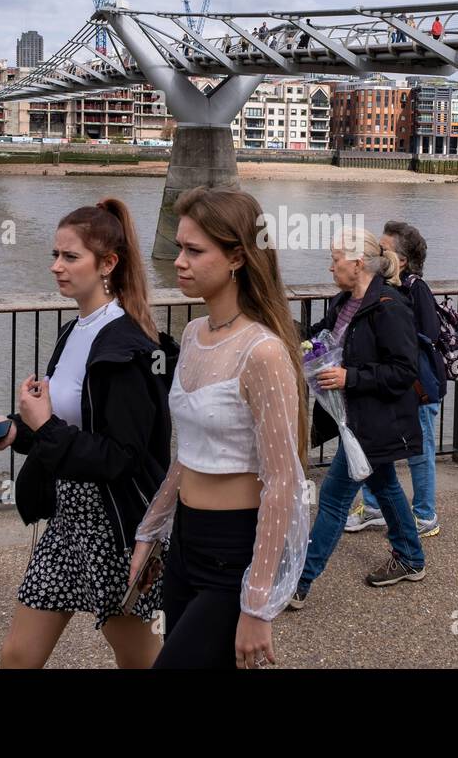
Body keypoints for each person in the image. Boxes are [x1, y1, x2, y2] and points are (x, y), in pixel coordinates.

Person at [0, 200, 172, 669]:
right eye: (54, 255)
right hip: (67, 517)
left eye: (70, 257)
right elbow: (69, 429)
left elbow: (121, 456)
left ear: (108, 264)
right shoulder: (73, 331)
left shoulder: (128, 348)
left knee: (139, 660)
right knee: (18, 657)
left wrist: (43, 425)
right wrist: (12, 432)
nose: (56, 267)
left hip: (113, 526)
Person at [130, 186, 309, 669]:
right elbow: (187, 453)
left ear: (237, 257)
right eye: (179, 248)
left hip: (233, 551)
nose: (178, 261)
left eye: (194, 250)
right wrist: (151, 531)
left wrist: (257, 602)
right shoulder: (193, 334)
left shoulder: (262, 352)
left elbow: (282, 482)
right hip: (187, 541)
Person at [289, 227, 428, 608]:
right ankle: (411, 557)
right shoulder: (344, 301)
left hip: (374, 421)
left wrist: (351, 377)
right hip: (353, 419)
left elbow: (404, 370)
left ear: (358, 263)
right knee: (384, 485)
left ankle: (299, 582)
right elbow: (321, 337)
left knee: (333, 500)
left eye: (335, 259)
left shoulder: (390, 305)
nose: (330, 266)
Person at [346, 221, 444, 537]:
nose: (376, 252)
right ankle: (374, 509)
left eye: (383, 248)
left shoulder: (416, 288)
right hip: (389, 383)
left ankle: (425, 516)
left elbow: (428, 335)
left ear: (400, 260)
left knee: (420, 452)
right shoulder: (378, 286)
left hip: (416, 387)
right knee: (377, 446)